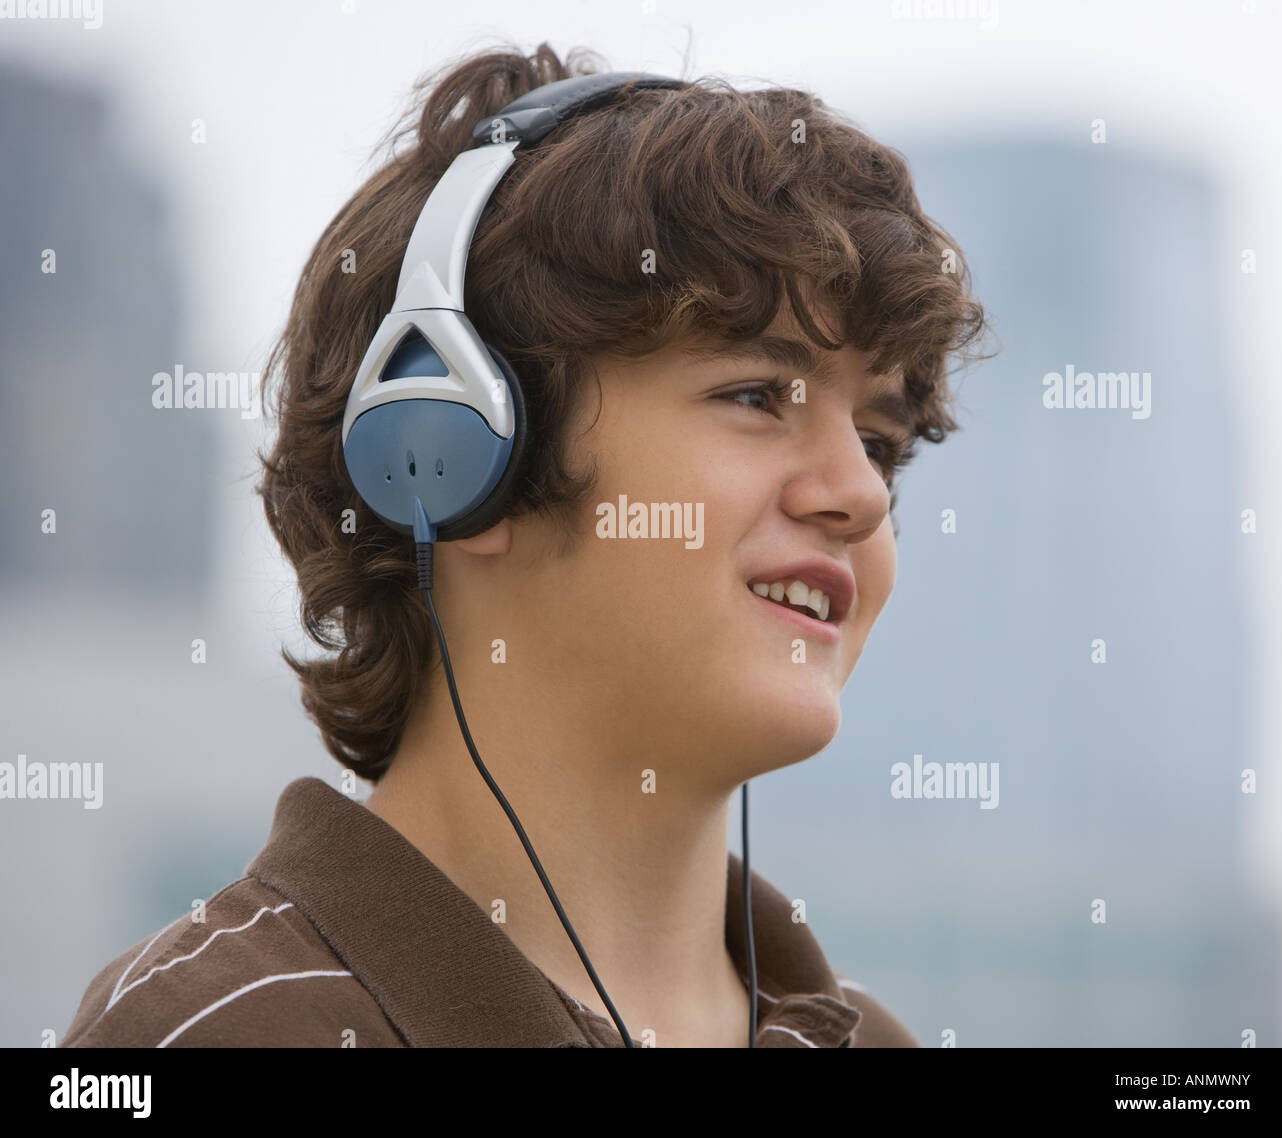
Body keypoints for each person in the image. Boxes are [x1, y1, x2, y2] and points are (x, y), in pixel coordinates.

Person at [61, 41, 988, 1049]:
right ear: (452, 457)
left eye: (881, 441)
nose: (858, 491)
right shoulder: (222, 1029)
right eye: (757, 395)